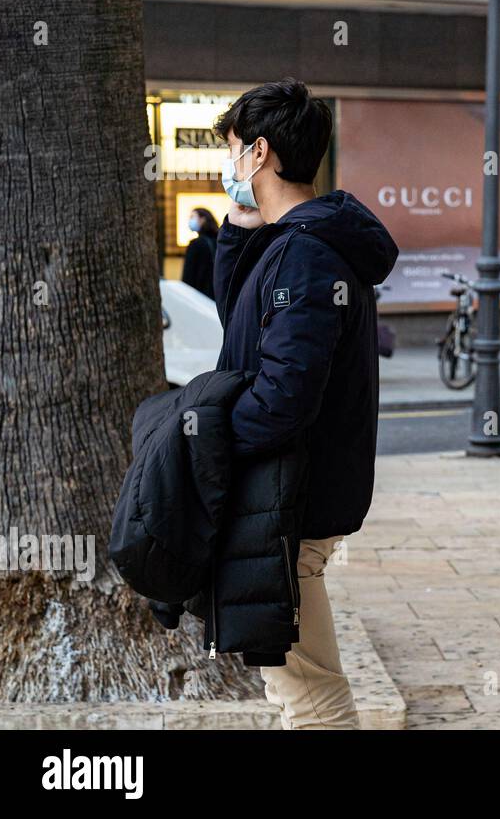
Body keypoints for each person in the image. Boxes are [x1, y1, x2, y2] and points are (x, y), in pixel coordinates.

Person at [212, 78, 399, 729]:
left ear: (258, 153)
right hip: (288, 500)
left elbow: (284, 395)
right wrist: (240, 225)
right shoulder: (297, 244)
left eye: (234, 150)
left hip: (289, 505)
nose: (230, 166)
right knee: (300, 688)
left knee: (310, 698)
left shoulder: (306, 256)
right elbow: (240, 318)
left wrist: (206, 440)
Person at [180, 207, 219, 299]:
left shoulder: (196, 244)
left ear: (202, 219)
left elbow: (188, 275)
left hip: (199, 295)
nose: (190, 220)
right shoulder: (220, 241)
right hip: (218, 294)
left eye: (192, 217)